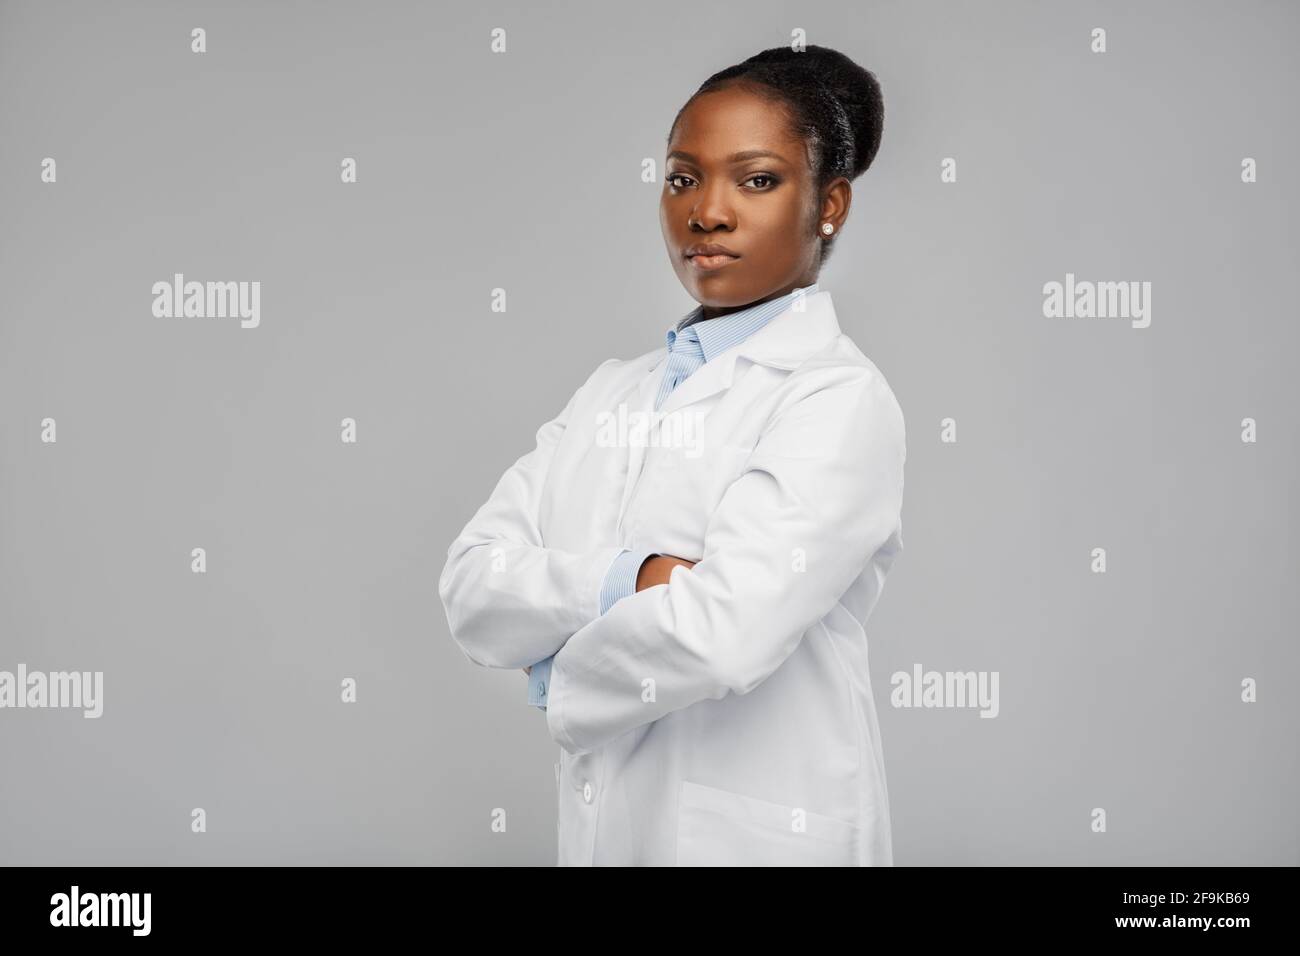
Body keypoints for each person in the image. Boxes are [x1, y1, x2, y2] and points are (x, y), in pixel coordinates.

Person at [439, 44, 905, 865]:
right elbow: (473, 583)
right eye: (683, 177)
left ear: (830, 204)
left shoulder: (834, 397)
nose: (708, 212)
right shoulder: (609, 393)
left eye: (756, 180)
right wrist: (631, 578)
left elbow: (723, 631)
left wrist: (554, 673)